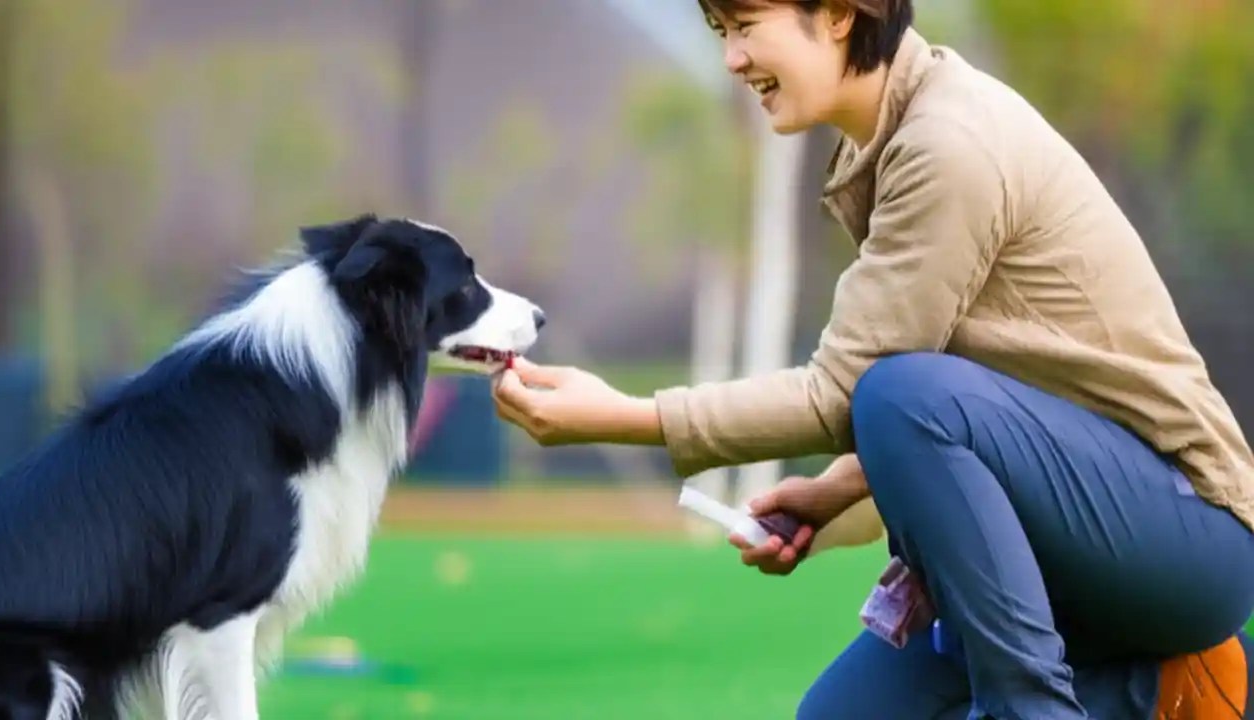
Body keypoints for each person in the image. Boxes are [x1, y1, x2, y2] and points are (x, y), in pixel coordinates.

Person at [492, 0, 1254, 717]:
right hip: (1081, 541)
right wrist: (834, 498)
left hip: (1187, 539)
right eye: (719, 28)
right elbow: (988, 418)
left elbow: (855, 394)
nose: (731, 57)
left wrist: (622, 417)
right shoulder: (894, 140)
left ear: (835, 14)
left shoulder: (948, 144)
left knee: (897, 393)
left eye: (745, 23)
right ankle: (1149, 685)